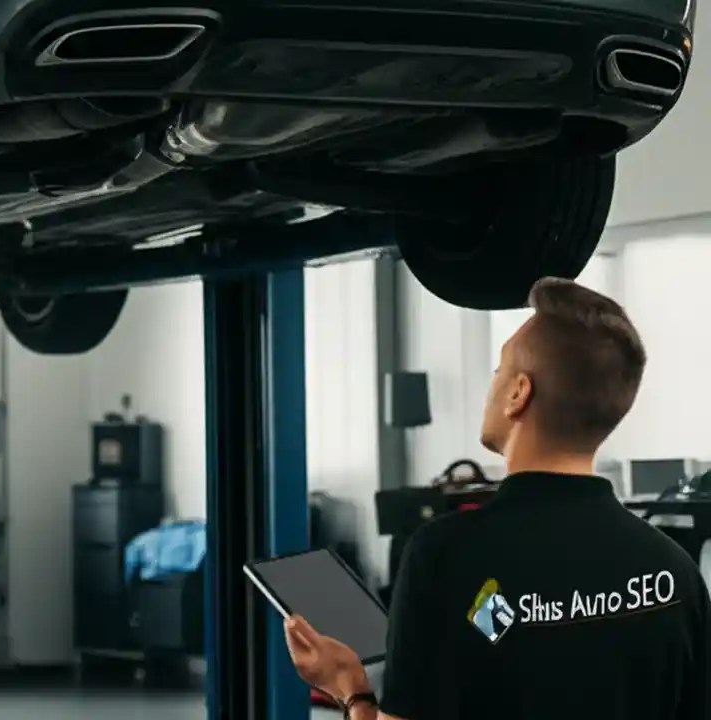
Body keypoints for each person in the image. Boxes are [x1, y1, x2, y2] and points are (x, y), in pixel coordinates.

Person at [284, 277, 711, 719]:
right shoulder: (675, 572)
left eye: (498, 371)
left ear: (517, 393)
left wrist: (349, 687)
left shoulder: (445, 557)